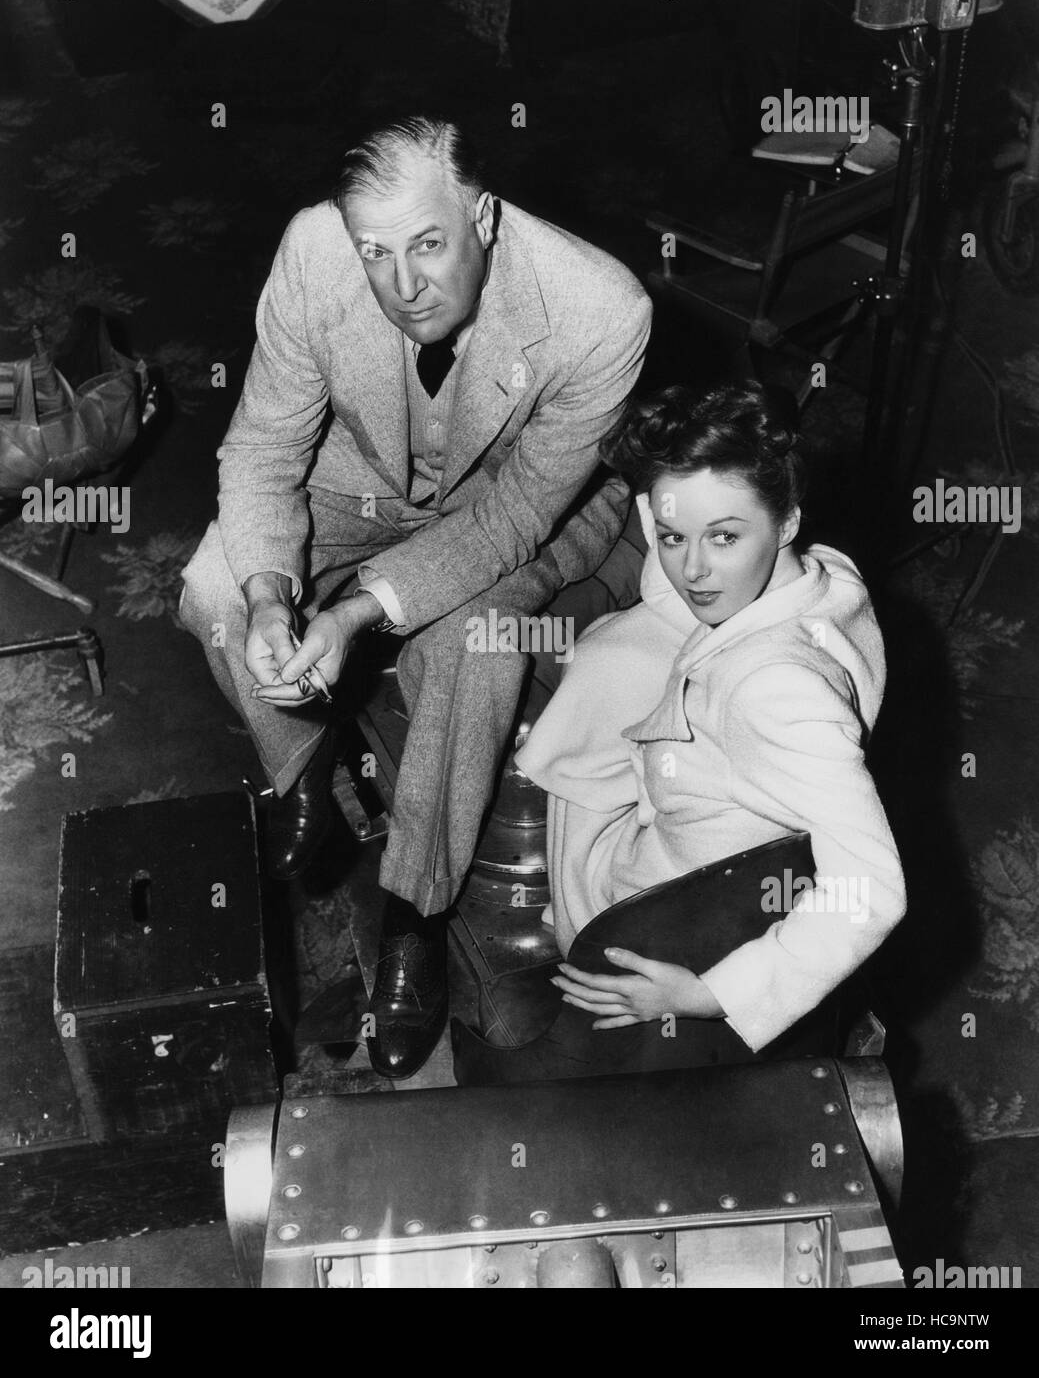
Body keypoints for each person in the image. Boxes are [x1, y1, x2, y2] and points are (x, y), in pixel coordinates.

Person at [178, 115, 652, 1078]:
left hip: (528, 508)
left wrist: (358, 612)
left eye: (429, 245)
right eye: (377, 253)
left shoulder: (602, 309)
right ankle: (308, 762)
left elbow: (515, 518)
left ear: (481, 216)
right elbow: (264, 447)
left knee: (472, 647)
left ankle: (414, 914)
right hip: (360, 486)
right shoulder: (315, 251)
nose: (402, 286)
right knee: (212, 584)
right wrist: (273, 594)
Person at [517, 382, 905, 1053]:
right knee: (622, 642)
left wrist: (710, 994)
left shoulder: (777, 693)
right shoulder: (828, 577)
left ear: (785, 522)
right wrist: (678, 497)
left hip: (656, 913)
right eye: (670, 536)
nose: (692, 569)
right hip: (741, 872)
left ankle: (536, 920)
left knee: (598, 669)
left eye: (722, 537)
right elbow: (693, 556)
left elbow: (871, 890)